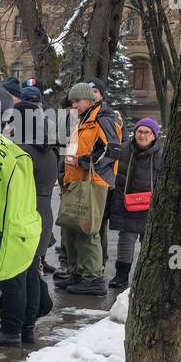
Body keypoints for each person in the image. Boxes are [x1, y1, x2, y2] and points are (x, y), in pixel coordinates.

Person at [0, 84, 59, 346]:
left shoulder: (20, 149)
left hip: (21, 214)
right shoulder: (49, 150)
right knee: (32, 274)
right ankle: (27, 329)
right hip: (41, 216)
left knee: (14, 276)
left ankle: (10, 330)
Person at [56, 81, 121, 296]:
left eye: (78, 100)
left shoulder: (103, 119)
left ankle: (93, 278)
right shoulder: (82, 120)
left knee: (87, 230)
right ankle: (77, 273)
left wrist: (83, 162)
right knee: (72, 227)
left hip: (93, 181)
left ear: (91, 100)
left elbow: (112, 150)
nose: (74, 104)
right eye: (72, 101)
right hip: (76, 180)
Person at [107, 117, 163, 291]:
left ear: (154, 136)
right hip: (127, 203)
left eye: (147, 132)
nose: (142, 135)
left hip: (151, 206)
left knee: (150, 243)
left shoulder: (163, 154)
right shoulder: (123, 150)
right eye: (139, 131)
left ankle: (148, 277)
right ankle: (121, 276)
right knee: (126, 240)